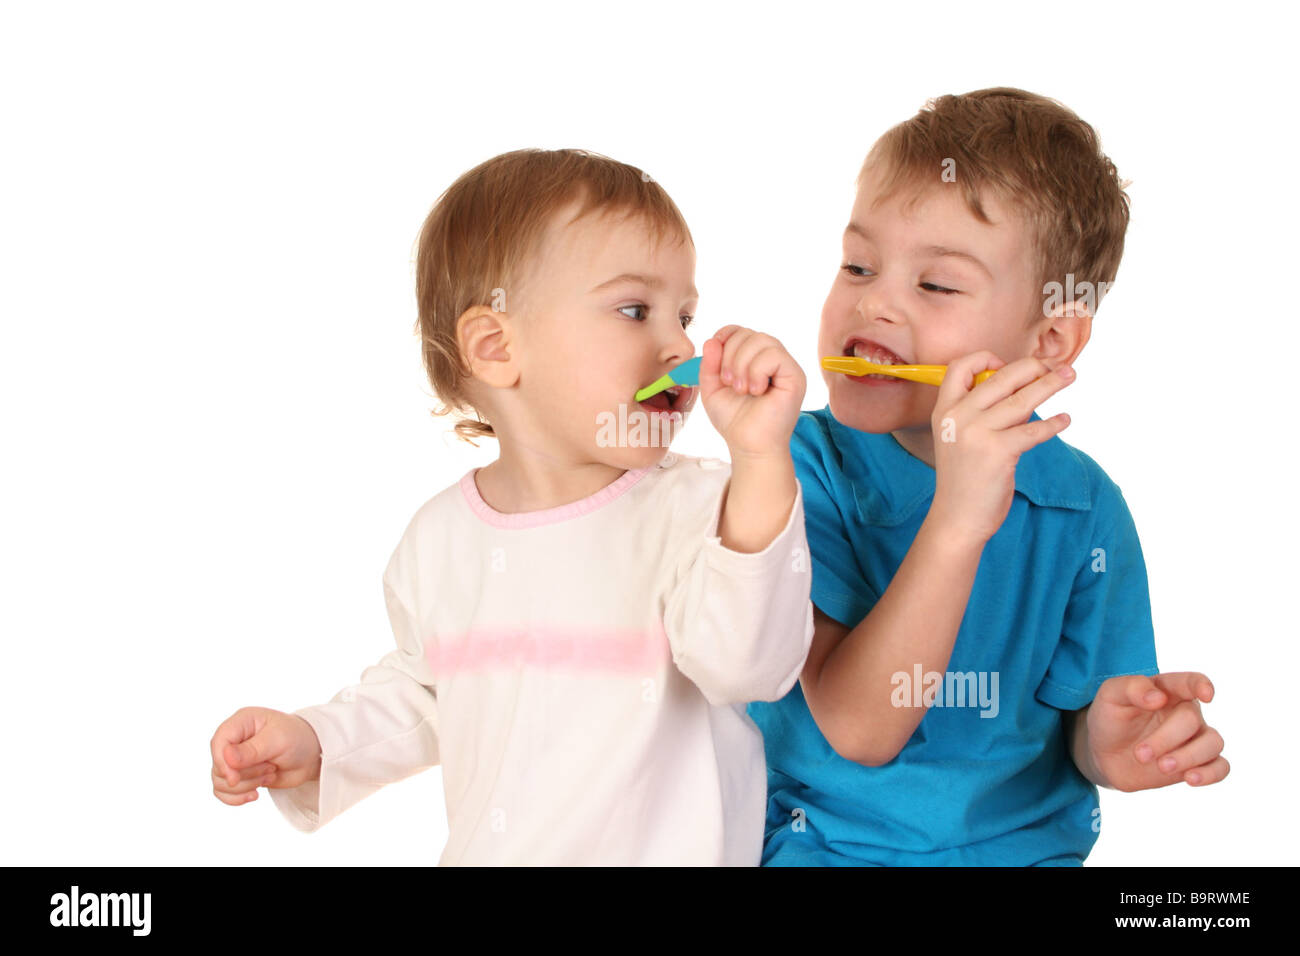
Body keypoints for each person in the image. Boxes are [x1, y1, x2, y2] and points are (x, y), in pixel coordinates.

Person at [210, 148, 814, 865]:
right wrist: (316, 743)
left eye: (685, 313)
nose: (680, 345)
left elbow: (748, 668)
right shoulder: (439, 541)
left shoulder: (705, 507)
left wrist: (761, 458)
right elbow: (428, 695)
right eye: (634, 310)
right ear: (496, 345)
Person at [748, 88, 1228, 866]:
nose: (873, 303)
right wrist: (960, 519)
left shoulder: (1085, 506)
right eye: (858, 264)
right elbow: (860, 728)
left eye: (935, 285)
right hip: (827, 848)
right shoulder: (798, 465)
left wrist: (1115, 747)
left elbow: (1076, 734)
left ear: (1048, 341)